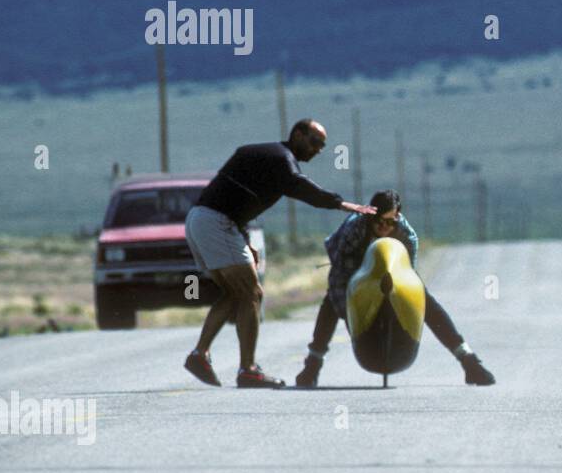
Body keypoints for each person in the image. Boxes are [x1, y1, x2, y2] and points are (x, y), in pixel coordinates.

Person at [182, 119, 375, 388]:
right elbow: (300, 186)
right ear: (297, 134)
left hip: (200, 219)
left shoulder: (262, 154)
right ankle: (247, 370)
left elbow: (236, 196)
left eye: (322, 146)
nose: (318, 149)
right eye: (314, 142)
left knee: (235, 294)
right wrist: (341, 204)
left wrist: (243, 237)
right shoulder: (281, 159)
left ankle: (200, 355)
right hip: (216, 222)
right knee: (252, 294)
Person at [296, 189, 494, 387]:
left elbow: (409, 275)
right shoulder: (354, 229)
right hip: (354, 271)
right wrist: (354, 323)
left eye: (390, 222)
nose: (384, 227)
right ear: (369, 217)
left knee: (425, 301)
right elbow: (339, 277)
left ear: (397, 217)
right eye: (378, 221)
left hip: (393, 274)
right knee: (331, 300)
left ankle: (469, 362)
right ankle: (312, 366)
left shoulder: (408, 236)